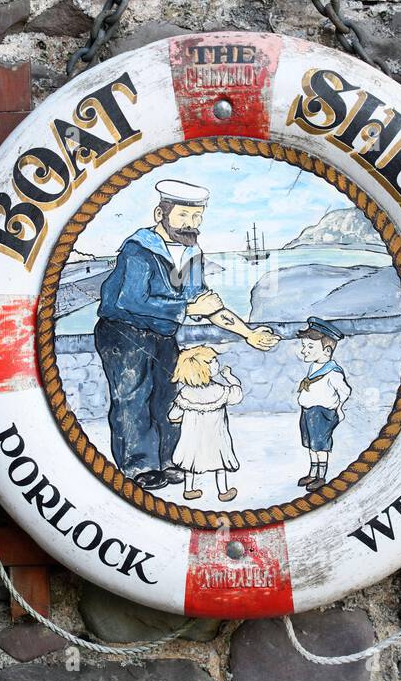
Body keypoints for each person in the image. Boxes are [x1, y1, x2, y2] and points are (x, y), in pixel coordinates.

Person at [93, 179, 279, 490]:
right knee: (132, 397)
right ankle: (139, 466)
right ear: (160, 214)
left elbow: (205, 303)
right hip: (123, 333)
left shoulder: (192, 253)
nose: (190, 224)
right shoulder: (139, 249)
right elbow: (131, 300)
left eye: (196, 217)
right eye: (183, 216)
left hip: (162, 333)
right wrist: (187, 308)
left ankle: (169, 460)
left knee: (167, 395)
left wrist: (247, 333)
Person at [167, 345, 243, 503]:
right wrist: (229, 377)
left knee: (190, 464)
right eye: (212, 361)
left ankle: (189, 490)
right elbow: (237, 394)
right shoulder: (219, 390)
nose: (217, 363)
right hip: (216, 437)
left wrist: (181, 419)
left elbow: (173, 415)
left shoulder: (185, 393)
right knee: (220, 465)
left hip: (192, 438)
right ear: (202, 369)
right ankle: (223, 492)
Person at [295, 317, 352, 490]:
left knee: (320, 446)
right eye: (304, 346)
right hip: (308, 412)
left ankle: (321, 476)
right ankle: (312, 474)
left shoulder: (332, 372)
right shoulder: (314, 367)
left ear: (327, 351)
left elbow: (345, 391)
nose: (304, 350)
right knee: (311, 445)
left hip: (322, 414)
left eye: (310, 347)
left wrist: (338, 407)